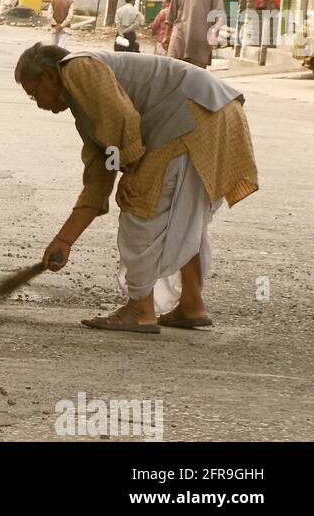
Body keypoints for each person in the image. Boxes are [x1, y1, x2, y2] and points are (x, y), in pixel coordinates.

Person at [14, 44, 258, 334]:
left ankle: (140, 310)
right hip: (214, 112)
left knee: (139, 206)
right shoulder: (85, 108)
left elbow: (123, 119)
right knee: (178, 217)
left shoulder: (76, 68)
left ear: (49, 76)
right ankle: (192, 306)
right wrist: (64, 241)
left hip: (194, 115)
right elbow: (99, 177)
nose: (38, 103)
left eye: (34, 92)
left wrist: (130, 169)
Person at [165, 0, 223, 68]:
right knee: (171, 67)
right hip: (180, 35)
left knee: (195, 75)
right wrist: (166, 35)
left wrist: (215, 34)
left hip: (200, 39)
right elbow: (171, 13)